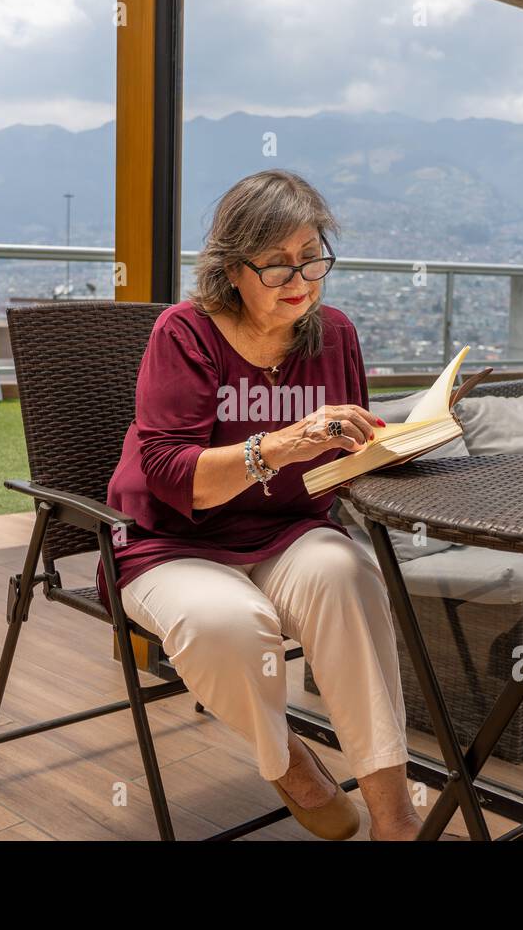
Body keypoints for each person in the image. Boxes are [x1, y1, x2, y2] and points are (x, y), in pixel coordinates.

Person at [95, 169, 422, 840]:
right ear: (231, 269)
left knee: (349, 574)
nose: (298, 278)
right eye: (275, 264)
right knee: (229, 626)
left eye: (310, 257)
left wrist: (382, 451)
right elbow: (171, 475)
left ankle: (397, 816)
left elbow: (338, 457)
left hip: (289, 531)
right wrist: (280, 444)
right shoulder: (185, 333)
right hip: (171, 540)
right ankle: (289, 763)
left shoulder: (334, 334)